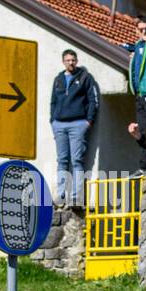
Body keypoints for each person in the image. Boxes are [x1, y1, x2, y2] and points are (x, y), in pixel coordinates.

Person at [49, 49, 99, 205]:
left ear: (76, 61)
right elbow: (53, 101)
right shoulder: (58, 79)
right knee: (62, 160)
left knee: (77, 160)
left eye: (73, 60)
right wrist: (53, 120)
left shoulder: (85, 77)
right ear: (63, 61)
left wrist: (88, 121)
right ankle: (61, 196)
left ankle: (77, 197)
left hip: (78, 124)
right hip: (59, 124)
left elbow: (93, 100)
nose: (71, 63)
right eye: (68, 60)